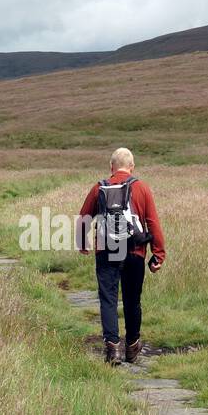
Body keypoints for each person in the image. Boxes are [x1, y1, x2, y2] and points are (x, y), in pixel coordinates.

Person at [77, 147, 165, 365]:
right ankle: (133, 346)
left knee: (108, 299)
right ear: (132, 166)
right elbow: (153, 222)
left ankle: (113, 348)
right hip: (135, 251)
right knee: (132, 300)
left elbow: (84, 217)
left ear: (111, 167)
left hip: (106, 250)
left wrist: (82, 243)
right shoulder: (142, 188)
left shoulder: (100, 187)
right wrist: (158, 254)